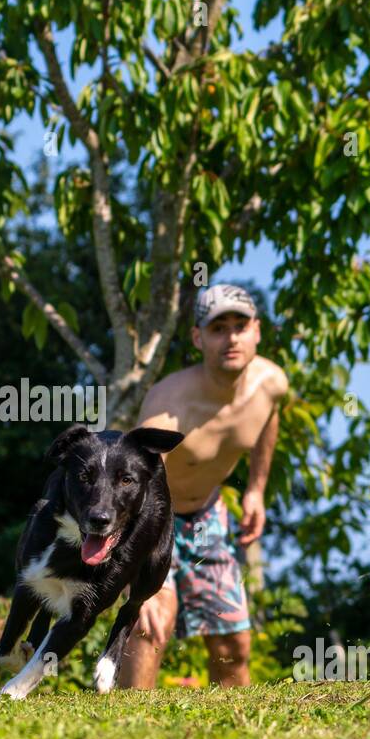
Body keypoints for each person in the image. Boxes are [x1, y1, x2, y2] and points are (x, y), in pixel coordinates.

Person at [118, 283, 289, 689]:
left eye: (240, 326)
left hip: (209, 514)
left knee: (233, 640)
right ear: (198, 338)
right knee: (152, 623)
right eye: (218, 329)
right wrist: (140, 576)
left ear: (257, 332)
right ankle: (125, 727)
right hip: (152, 519)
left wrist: (256, 490)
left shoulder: (271, 385)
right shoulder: (169, 406)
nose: (231, 338)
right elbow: (128, 486)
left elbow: (268, 423)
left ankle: (237, 737)